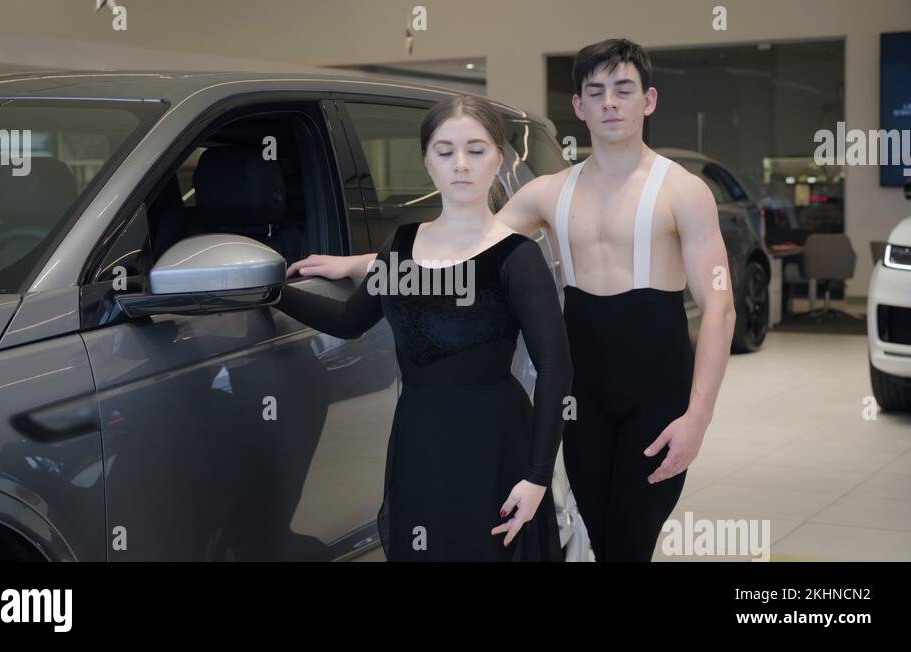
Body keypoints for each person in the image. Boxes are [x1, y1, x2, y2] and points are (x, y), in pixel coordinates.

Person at [287, 39, 736, 562]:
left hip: (656, 381)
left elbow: (719, 307)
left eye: (623, 90)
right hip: (584, 382)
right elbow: (462, 246)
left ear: (648, 100)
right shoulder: (550, 192)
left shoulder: (683, 191)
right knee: (597, 527)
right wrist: (358, 263)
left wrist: (698, 416)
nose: (610, 103)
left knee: (632, 536)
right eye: (596, 92)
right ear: (579, 107)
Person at [275, 94, 573, 561]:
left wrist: (537, 477)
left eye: (476, 150)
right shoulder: (401, 244)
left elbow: (555, 369)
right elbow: (350, 321)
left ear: (497, 158)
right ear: (427, 162)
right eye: (444, 150)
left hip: (493, 446)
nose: (460, 164)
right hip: (419, 442)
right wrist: (273, 292)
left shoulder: (519, 257)